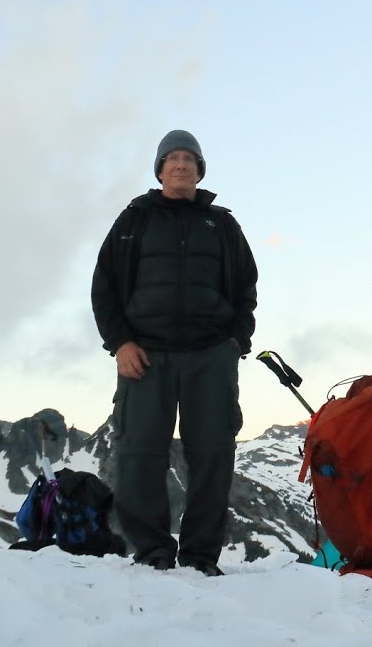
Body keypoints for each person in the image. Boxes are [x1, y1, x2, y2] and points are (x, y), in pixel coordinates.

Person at [91, 129, 258, 577]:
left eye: (189, 158)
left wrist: (235, 343)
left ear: (200, 171)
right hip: (146, 356)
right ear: (160, 169)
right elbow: (104, 285)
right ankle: (152, 553)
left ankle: (201, 557)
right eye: (172, 158)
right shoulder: (135, 219)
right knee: (140, 454)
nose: (181, 164)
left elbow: (246, 287)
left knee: (213, 455)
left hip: (210, 357)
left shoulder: (222, 224)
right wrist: (120, 343)